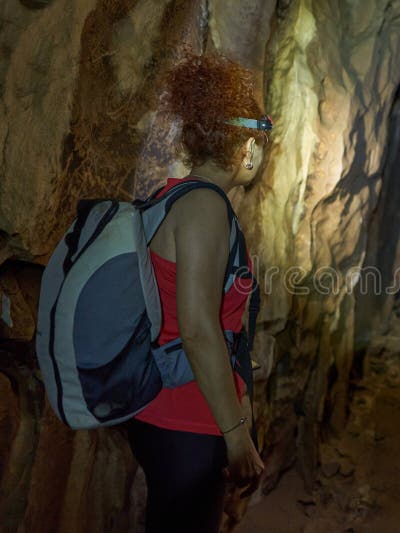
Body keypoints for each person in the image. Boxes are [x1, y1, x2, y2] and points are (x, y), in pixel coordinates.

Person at [127, 52, 266, 533]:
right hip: (187, 415)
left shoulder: (173, 197)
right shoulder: (206, 206)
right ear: (247, 145)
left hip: (166, 411)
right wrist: (235, 436)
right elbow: (200, 329)